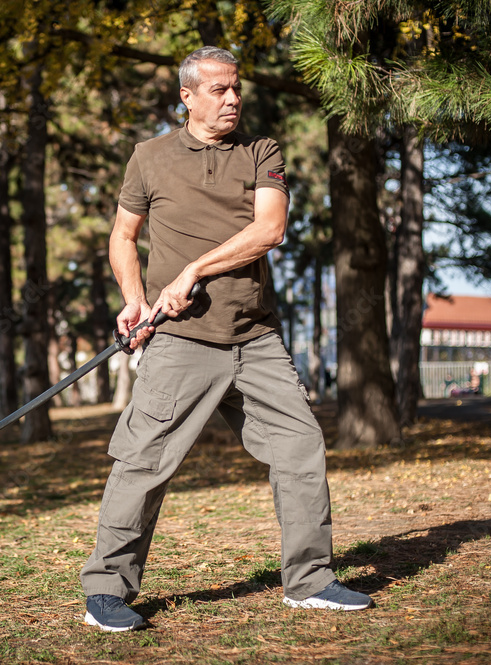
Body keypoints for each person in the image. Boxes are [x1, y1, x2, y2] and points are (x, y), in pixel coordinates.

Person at [80, 46, 371, 632]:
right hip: (180, 340)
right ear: (187, 96)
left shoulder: (261, 151)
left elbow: (270, 229)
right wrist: (134, 299)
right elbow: (122, 235)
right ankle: (107, 591)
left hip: (254, 337)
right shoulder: (149, 157)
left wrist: (192, 271)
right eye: (219, 89)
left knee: (299, 448)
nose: (233, 98)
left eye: (236, 88)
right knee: (142, 463)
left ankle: (309, 581)